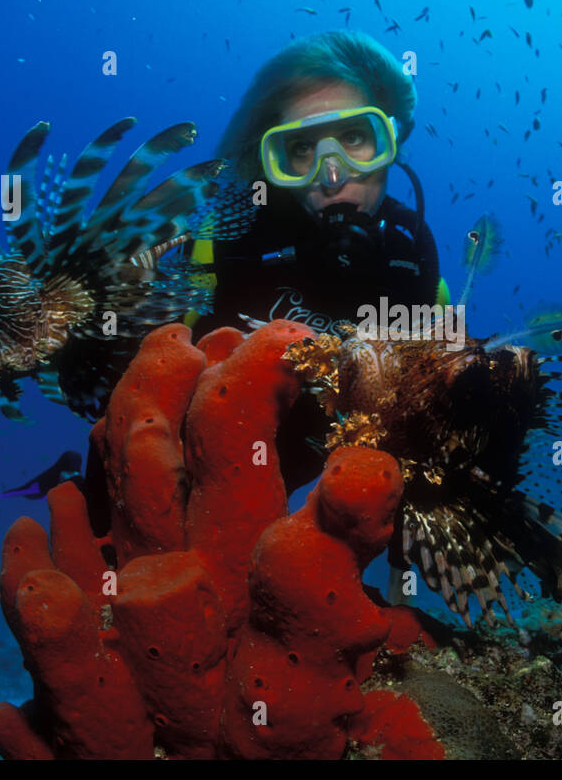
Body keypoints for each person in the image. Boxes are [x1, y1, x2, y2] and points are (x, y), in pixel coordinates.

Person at [187, 30, 448, 491]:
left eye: (354, 137)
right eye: (302, 148)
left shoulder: (419, 281)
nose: (331, 174)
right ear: (272, 162)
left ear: (390, 140)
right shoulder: (221, 246)